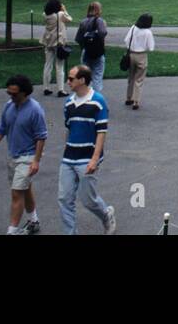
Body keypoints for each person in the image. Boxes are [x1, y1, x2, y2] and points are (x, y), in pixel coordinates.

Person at [0, 74, 47, 235]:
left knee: (17, 194)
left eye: (14, 93)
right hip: (13, 156)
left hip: (28, 157)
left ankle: (12, 231)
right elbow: (1, 129)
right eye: (8, 93)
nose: (11, 96)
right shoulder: (9, 106)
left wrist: (36, 161)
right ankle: (33, 221)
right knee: (25, 189)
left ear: (24, 93)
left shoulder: (35, 110)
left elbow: (41, 136)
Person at [58, 64, 116, 236]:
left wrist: (95, 159)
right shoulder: (68, 103)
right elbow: (69, 129)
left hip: (87, 157)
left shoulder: (98, 101)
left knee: (88, 200)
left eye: (71, 78)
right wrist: (65, 151)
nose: (68, 82)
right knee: (64, 199)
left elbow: (101, 132)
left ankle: (106, 214)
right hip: (69, 157)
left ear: (82, 80)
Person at [41, 0, 74, 97]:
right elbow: (69, 19)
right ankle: (61, 89)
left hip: (48, 41)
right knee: (59, 66)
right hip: (58, 42)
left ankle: (46, 87)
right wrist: (64, 10)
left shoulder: (45, 15)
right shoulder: (59, 15)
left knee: (47, 65)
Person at [123, 14, 156, 110]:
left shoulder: (133, 28)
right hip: (141, 55)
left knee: (131, 77)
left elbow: (126, 40)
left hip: (131, 54)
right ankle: (136, 101)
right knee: (139, 79)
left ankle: (129, 97)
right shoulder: (148, 32)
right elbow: (151, 47)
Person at [74, 2, 108, 93]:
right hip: (98, 52)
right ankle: (95, 97)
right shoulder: (100, 21)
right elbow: (103, 33)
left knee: (85, 77)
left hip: (86, 52)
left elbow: (78, 38)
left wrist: (84, 46)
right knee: (97, 76)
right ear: (98, 10)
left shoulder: (83, 21)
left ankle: (85, 96)